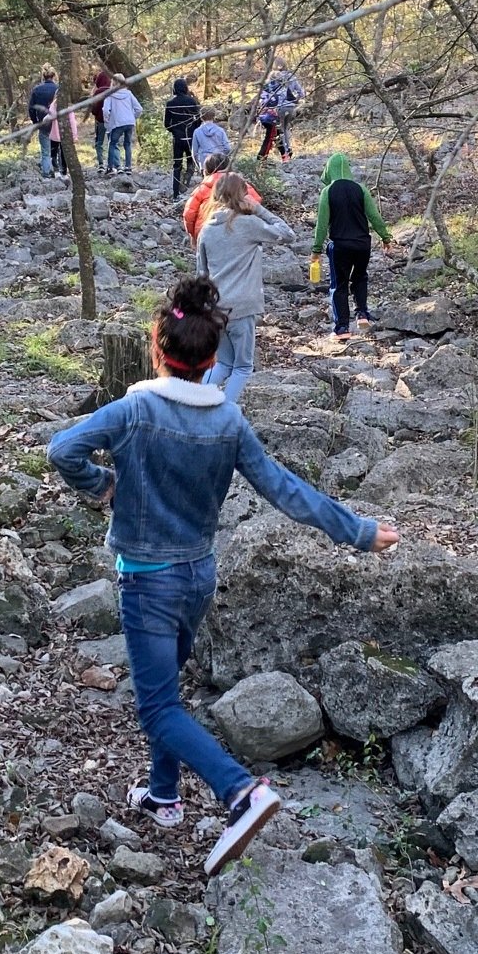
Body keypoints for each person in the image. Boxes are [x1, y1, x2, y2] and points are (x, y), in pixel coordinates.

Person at [46, 276, 398, 876]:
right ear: (212, 363)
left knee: (157, 708)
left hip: (148, 582)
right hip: (198, 579)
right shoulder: (229, 422)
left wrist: (104, 485)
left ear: (157, 348)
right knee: (168, 690)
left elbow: (62, 450)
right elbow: (285, 490)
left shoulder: (134, 410)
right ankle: (163, 795)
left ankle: (240, 791)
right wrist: (359, 531)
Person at [196, 174, 295, 403]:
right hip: (242, 306)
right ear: (242, 195)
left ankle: (193, 400)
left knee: (223, 364)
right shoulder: (248, 224)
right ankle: (225, 411)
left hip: (215, 308)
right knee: (242, 367)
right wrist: (259, 210)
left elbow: (201, 274)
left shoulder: (206, 230)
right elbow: (288, 234)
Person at [311, 152, 393, 339]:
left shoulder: (328, 192)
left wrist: (316, 250)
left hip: (340, 245)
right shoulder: (360, 189)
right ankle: (362, 313)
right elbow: (374, 216)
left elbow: (322, 224)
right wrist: (386, 237)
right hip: (362, 244)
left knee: (339, 284)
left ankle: (342, 328)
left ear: (329, 170)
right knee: (360, 277)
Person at [182, 154, 260, 246]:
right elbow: (256, 202)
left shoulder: (201, 189)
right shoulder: (242, 185)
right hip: (238, 234)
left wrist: (193, 235)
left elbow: (189, 214)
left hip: (207, 234)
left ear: (206, 170)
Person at [164, 78, 203, 199]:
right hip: (190, 137)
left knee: (177, 165)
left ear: (174, 89)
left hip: (178, 139)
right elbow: (198, 120)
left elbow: (167, 124)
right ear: (186, 88)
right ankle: (188, 182)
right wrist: (193, 130)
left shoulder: (170, 104)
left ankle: (175, 194)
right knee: (192, 161)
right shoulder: (192, 101)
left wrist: (175, 131)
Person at [27, 65, 63, 179]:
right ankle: (60, 171)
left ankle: (47, 173)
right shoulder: (59, 89)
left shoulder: (36, 90)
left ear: (43, 76)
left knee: (45, 151)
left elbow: (31, 108)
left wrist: (35, 121)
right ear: (54, 76)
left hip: (43, 124)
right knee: (58, 149)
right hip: (57, 124)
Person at [103, 77, 143, 172]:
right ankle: (128, 167)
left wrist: (107, 119)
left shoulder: (110, 95)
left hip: (117, 123)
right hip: (129, 122)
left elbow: (106, 110)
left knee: (112, 143)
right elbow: (139, 109)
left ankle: (110, 167)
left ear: (113, 83)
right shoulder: (129, 94)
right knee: (127, 144)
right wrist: (133, 117)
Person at [91, 65, 113, 169]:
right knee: (111, 142)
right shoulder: (113, 91)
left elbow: (94, 108)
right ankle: (111, 164)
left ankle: (101, 164)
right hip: (111, 121)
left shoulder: (98, 92)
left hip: (100, 121)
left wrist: (95, 114)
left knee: (99, 142)